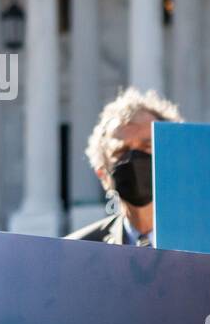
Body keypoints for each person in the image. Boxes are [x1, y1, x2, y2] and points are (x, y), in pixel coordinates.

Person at [66, 87, 182, 248]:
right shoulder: (76, 252)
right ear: (102, 175)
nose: (135, 159)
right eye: (121, 151)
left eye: (148, 147)